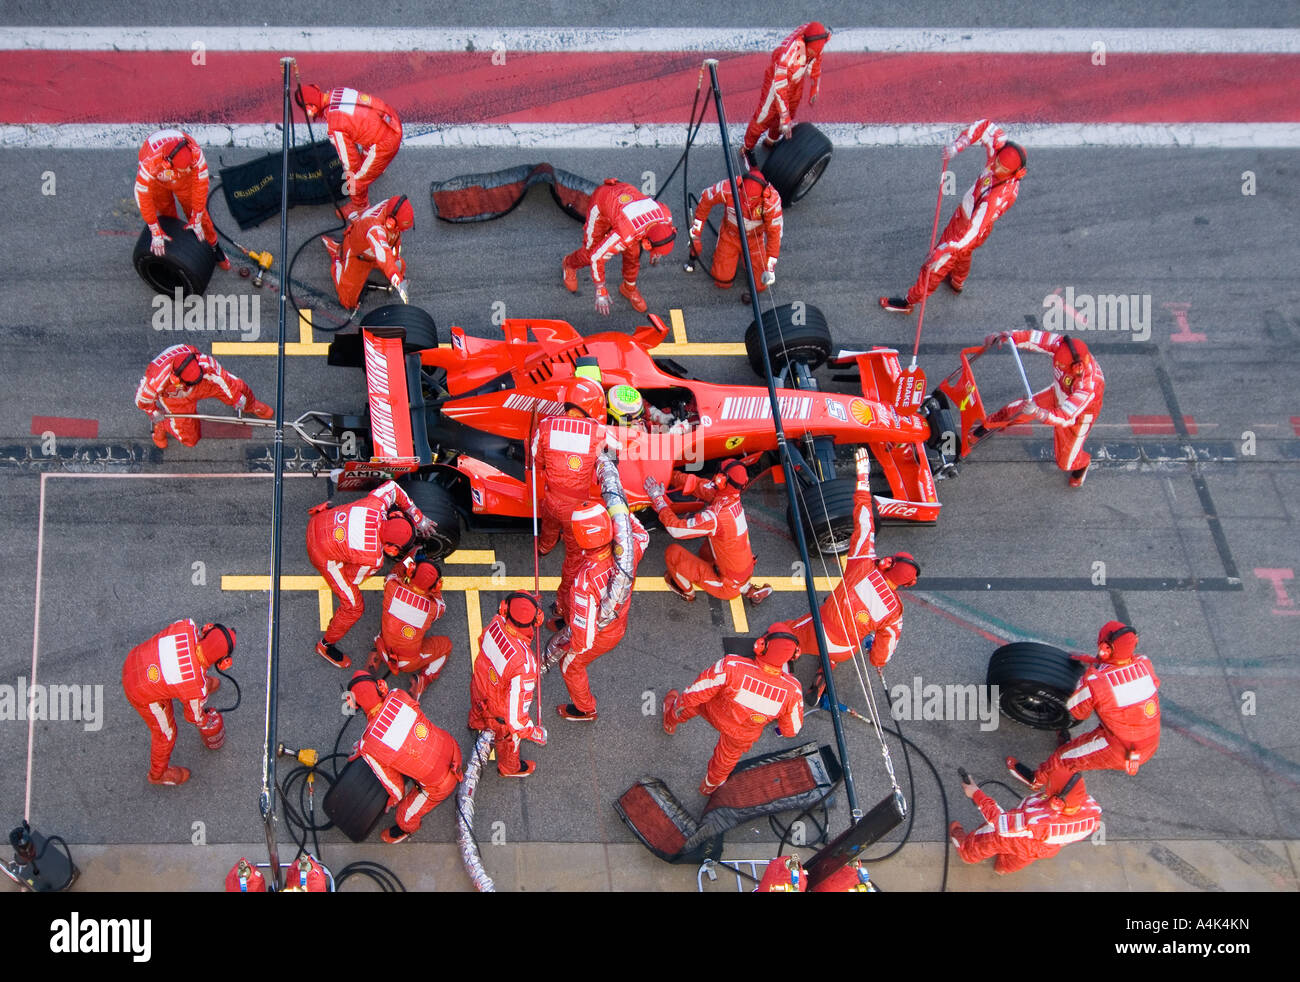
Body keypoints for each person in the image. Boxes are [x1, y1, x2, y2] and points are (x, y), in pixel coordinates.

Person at [788, 449, 919, 701]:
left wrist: (863, 479)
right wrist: (876, 659)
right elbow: (882, 653)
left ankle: (779, 659)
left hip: (822, 627)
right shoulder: (895, 613)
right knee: (834, 653)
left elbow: (865, 520)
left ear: (888, 563)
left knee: (787, 631)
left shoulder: (864, 563)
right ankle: (827, 669)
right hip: (845, 648)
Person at [880, 120, 1025, 313]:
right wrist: (959, 145)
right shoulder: (1001, 154)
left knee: (934, 266)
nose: (996, 167)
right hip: (969, 219)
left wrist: (945, 249)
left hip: (968, 229)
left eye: (1002, 169)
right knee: (964, 254)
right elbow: (986, 127)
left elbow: (972, 233)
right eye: (997, 162)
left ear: (1013, 173)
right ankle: (958, 281)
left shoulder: (997, 198)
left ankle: (909, 302)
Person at [1008, 621, 1160, 790]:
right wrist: (1095, 663)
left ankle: (1036, 780)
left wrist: (1087, 677)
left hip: (1118, 748)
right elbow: (1142, 680)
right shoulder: (1144, 663)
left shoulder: (1097, 682)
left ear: (1105, 649)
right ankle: (1073, 748)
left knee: (1063, 758)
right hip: (1147, 740)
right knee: (1084, 742)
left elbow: (1077, 710)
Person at [305, 480, 435, 668]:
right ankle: (325, 646)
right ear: (390, 549)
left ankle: (320, 515)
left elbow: (392, 487)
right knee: (353, 607)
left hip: (318, 520)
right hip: (319, 553)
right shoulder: (374, 559)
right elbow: (350, 578)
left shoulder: (376, 504)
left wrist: (416, 516)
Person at [662, 624, 804, 795]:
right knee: (725, 760)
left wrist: (677, 706)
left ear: (761, 646)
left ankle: (669, 723)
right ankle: (709, 786)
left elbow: (695, 693)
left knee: (692, 705)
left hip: (713, 710)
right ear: (794, 655)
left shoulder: (732, 665)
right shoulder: (793, 691)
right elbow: (791, 730)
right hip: (742, 734)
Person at [548, 501, 649, 721]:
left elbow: (583, 640)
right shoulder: (628, 551)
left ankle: (585, 709)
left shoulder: (585, 584)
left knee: (570, 666)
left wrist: (564, 643)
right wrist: (620, 513)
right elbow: (643, 536)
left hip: (602, 634)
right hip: (616, 622)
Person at [976, 330, 1104, 487]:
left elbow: (1066, 417)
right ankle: (988, 426)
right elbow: (1037, 338)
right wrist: (1008, 336)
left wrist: (1038, 412)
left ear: (1076, 368)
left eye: (1061, 367)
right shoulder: (1062, 346)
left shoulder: (1088, 386)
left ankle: (1082, 464)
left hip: (1079, 416)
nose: (1056, 366)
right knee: (1014, 410)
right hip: (1059, 393)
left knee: (1065, 462)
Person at [347, 670, 462, 844]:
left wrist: (392, 801)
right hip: (453, 748)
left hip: (441, 785)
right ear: (381, 686)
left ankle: (406, 831)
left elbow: (396, 789)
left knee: (405, 816)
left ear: (354, 704)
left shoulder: (369, 745)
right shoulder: (397, 695)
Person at [532, 377, 611, 620]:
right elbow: (613, 458)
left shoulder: (546, 425)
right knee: (574, 560)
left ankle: (544, 547)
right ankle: (561, 603)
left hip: (551, 500)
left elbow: (536, 459)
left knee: (548, 527)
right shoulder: (599, 433)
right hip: (577, 511)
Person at [121, 620, 235, 786]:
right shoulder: (197, 690)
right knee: (166, 734)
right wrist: (205, 721)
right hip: (141, 692)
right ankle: (158, 774)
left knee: (190, 685)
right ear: (223, 663)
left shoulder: (187, 625)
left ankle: (196, 683)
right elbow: (193, 716)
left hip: (135, 659)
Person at [644, 460, 773, 606]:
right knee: (705, 550)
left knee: (673, 554)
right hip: (742, 568)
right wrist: (667, 475)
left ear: (721, 479)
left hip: (727, 585)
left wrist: (658, 500)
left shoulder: (716, 516)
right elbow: (696, 484)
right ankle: (747, 588)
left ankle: (686, 592)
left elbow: (676, 530)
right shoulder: (730, 497)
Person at [950, 769, 1101, 875]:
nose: (1047, 784)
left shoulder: (1036, 821)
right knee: (1021, 857)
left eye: (1050, 785)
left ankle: (966, 852)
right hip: (1047, 848)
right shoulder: (1093, 809)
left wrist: (976, 794)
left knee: (989, 838)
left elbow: (1000, 823)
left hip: (1020, 839)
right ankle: (1003, 868)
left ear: (1056, 801)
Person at [562, 178, 676, 315]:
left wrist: (656, 252)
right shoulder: (625, 234)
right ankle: (569, 264)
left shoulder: (666, 215)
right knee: (589, 253)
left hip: (625, 197)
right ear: (646, 244)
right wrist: (600, 289)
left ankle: (629, 288)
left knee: (633, 256)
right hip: (602, 202)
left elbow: (662, 234)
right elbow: (596, 258)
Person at [468, 593, 548, 778]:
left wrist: (528, 602)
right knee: (509, 740)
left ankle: (475, 723)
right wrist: (536, 733)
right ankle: (509, 769)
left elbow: (481, 640)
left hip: (479, 687)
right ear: (537, 620)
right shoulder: (525, 663)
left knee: (478, 712)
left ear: (505, 609)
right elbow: (516, 721)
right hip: (499, 711)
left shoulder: (496, 622)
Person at [296, 83, 403, 221]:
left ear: (311, 107)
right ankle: (374, 167)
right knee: (366, 151)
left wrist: (353, 180)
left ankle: (360, 207)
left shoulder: (335, 125)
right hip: (391, 120)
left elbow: (349, 162)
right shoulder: (337, 91)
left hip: (384, 144)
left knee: (356, 180)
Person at [135, 344, 273, 449]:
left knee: (240, 388)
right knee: (189, 439)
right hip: (175, 399)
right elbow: (141, 401)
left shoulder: (204, 363)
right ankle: (162, 424)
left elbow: (222, 378)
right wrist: (154, 412)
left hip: (204, 385)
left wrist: (236, 397)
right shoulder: (155, 382)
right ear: (175, 379)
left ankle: (252, 405)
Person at [134, 128, 229, 269]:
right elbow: (143, 198)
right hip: (158, 182)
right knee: (166, 213)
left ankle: (213, 246)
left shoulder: (195, 153)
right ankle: (173, 248)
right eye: (186, 168)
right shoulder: (149, 164)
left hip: (185, 181)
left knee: (198, 213)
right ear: (167, 164)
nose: (191, 167)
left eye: (191, 165)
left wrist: (196, 216)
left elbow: (201, 187)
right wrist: (155, 229)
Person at [690, 167, 783, 301]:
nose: (748, 203)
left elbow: (775, 235)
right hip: (730, 235)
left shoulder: (771, 202)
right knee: (721, 281)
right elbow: (706, 198)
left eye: (753, 199)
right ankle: (733, 258)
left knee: (761, 284)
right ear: (740, 187)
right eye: (744, 196)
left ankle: (748, 261)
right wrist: (695, 234)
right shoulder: (728, 187)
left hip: (754, 239)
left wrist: (770, 268)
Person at [368, 553, 452, 699]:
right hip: (408, 663)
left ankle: (373, 662)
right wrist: (433, 589)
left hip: (383, 647)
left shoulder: (392, 586)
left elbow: (395, 571)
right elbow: (440, 603)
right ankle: (423, 680)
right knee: (446, 646)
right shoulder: (434, 608)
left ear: (411, 570)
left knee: (388, 625)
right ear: (437, 585)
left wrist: (411, 554)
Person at [743, 23, 832, 154]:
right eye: (812, 52)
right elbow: (780, 88)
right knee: (764, 117)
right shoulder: (787, 58)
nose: (814, 54)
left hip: (795, 81)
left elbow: (816, 61)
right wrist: (784, 117)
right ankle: (747, 148)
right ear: (805, 44)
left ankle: (771, 140)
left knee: (790, 114)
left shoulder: (817, 41)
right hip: (776, 83)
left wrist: (814, 87)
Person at [321, 194, 413, 312]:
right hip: (359, 256)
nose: (401, 231)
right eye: (400, 228)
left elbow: (390, 244)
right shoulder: (375, 228)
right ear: (390, 222)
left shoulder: (391, 208)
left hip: (377, 249)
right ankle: (337, 253)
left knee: (400, 267)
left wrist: (395, 263)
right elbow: (383, 254)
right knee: (348, 300)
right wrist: (398, 281)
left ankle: (392, 271)